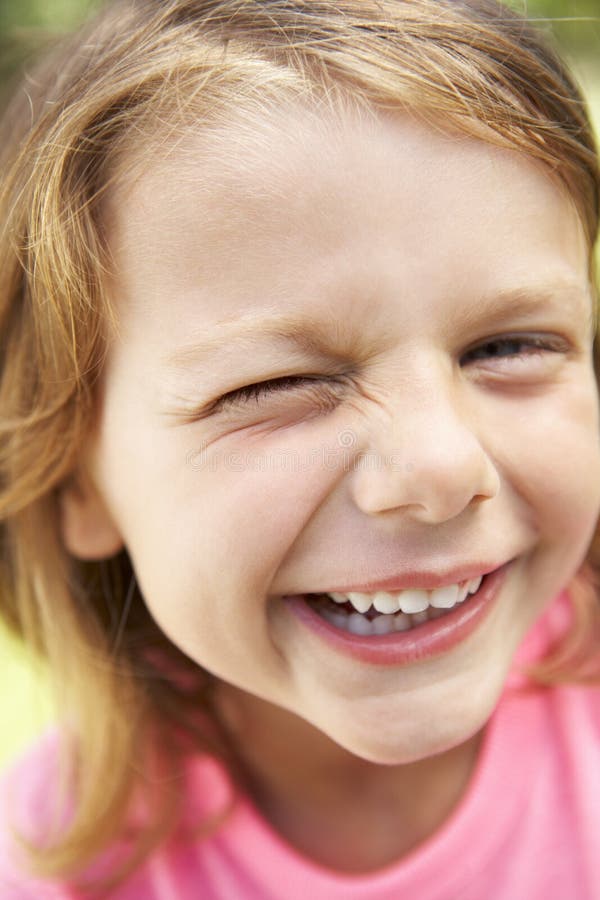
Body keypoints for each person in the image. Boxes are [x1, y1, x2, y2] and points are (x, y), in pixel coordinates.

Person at [1, 0, 599, 896]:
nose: (439, 468)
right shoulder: (58, 864)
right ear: (79, 483)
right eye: (273, 386)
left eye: (508, 348)